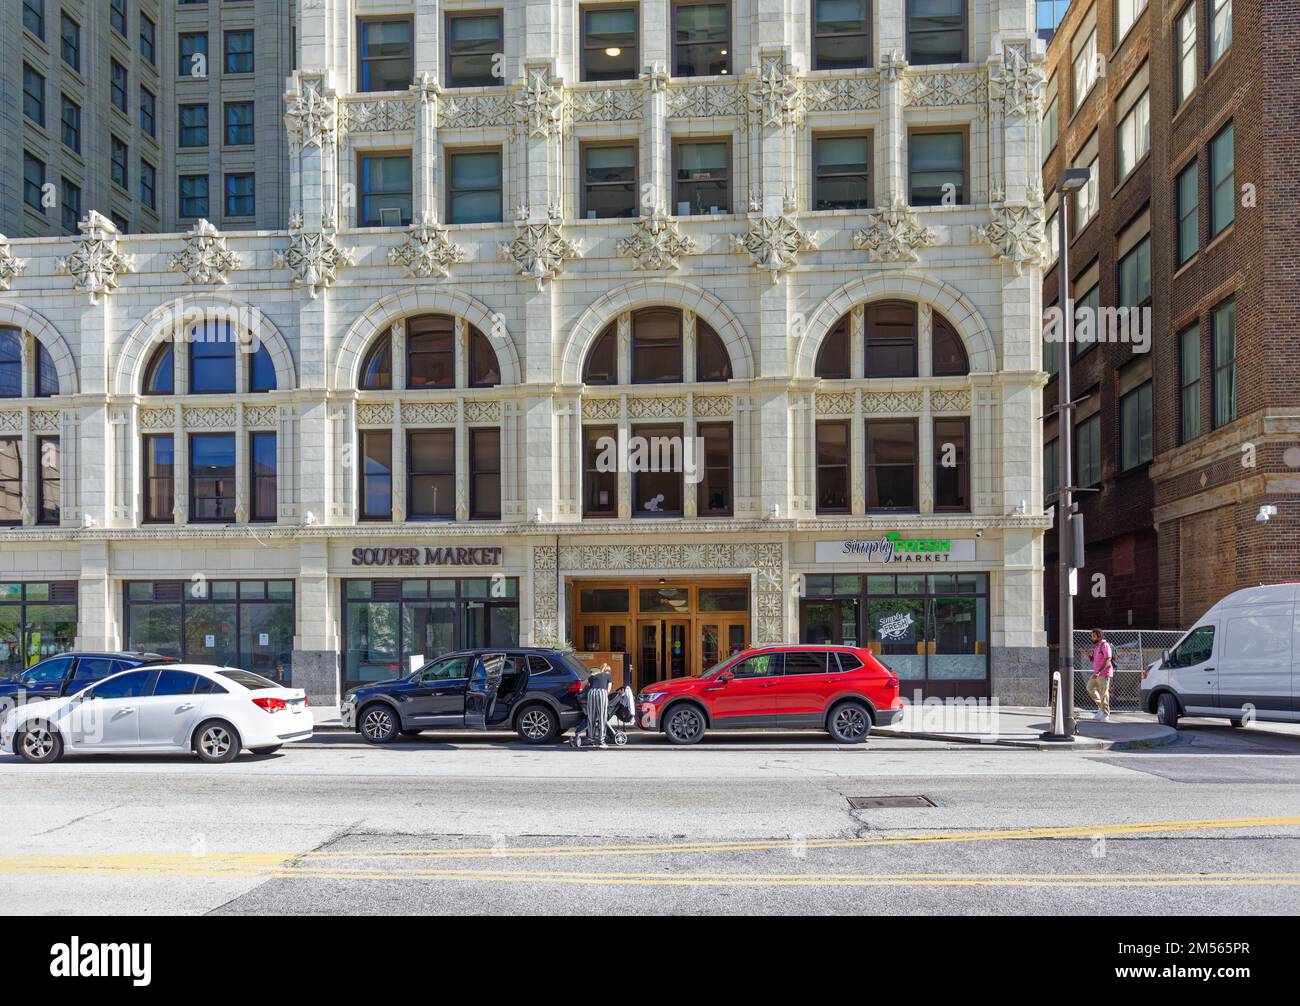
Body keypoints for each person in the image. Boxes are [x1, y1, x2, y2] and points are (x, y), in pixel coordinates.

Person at [573, 665, 613, 748]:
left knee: (591, 716)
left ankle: (591, 739)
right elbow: (608, 690)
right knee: (602, 717)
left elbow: (583, 683)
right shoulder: (608, 676)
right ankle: (601, 741)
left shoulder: (593, 676)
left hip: (591, 693)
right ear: (607, 671)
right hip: (602, 693)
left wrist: (580, 691)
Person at [1086, 629, 1114, 722]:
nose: (1092, 638)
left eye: (1094, 636)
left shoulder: (1104, 645)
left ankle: (1106, 713)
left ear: (1099, 636)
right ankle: (1101, 708)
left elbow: (1107, 660)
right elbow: (1093, 660)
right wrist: (1088, 655)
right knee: (1090, 688)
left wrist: (1099, 671)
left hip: (1104, 673)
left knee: (1104, 693)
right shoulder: (1096, 646)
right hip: (1096, 673)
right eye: (1092, 636)